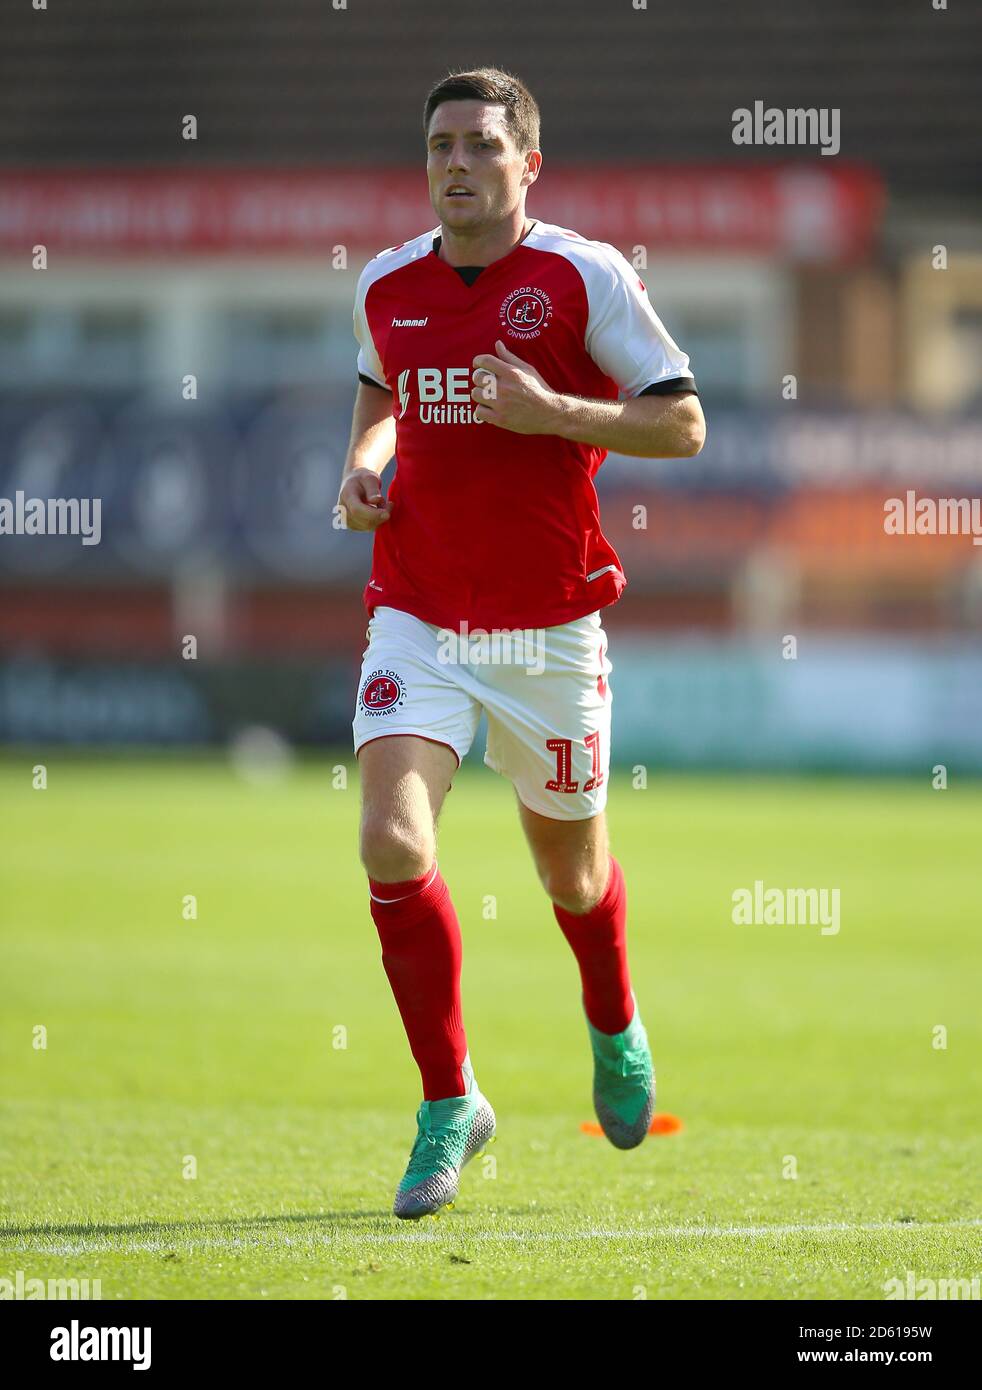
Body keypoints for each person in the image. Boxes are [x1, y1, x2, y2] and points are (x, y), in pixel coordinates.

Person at [337, 66, 705, 1219]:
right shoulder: (386, 283)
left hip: (547, 627)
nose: (456, 163)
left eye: (481, 145)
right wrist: (365, 466)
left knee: (571, 876)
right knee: (390, 842)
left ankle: (614, 1018)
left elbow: (683, 422)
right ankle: (449, 1098)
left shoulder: (584, 276)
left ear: (527, 164)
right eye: (439, 145)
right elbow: (381, 393)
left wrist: (554, 413)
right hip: (418, 613)